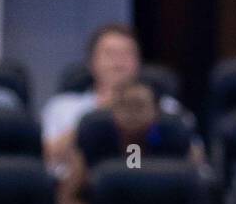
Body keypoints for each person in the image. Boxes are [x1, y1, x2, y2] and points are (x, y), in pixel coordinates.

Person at [41, 23, 186, 174]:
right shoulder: (63, 106)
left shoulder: (167, 106)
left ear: (138, 63)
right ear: (91, 63)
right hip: (85, 187)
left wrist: (153, 120)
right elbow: (48, 158)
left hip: (152, 186)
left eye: (126, 54)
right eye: (110, 54)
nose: (118, 63)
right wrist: (97, 116)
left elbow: (197, 163)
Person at [56, 78, 196, 204]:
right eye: (123, 105)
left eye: (138, 106)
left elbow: (195, 194)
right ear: (112, 110)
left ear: (156, 111)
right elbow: (67, 202)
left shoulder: (173, 136)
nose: (131, 113)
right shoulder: (94, 134)